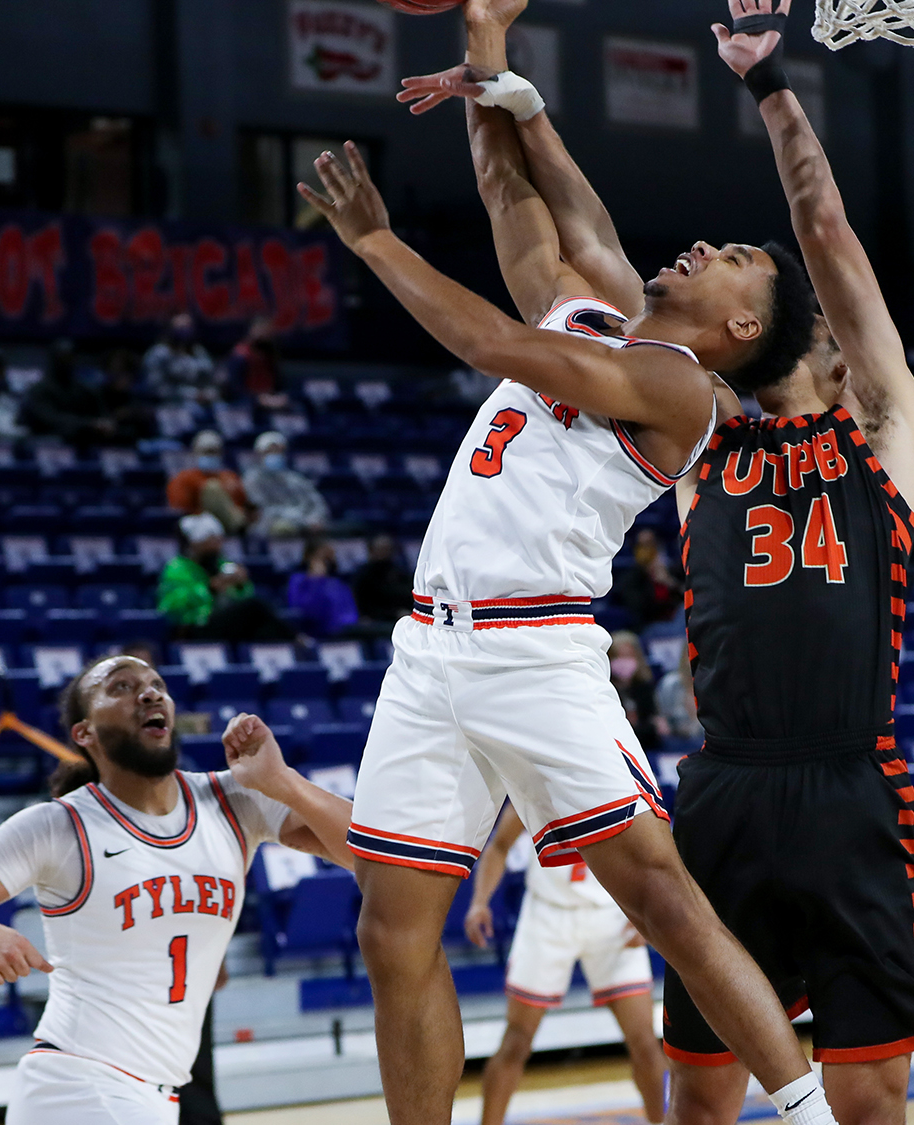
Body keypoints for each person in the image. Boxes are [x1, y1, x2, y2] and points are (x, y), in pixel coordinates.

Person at [325, 4, 840, 1118]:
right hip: (428, 649)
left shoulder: (679, 390)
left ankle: (805, 1112)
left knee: (662, 901)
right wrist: (489, 56)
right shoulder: (606, 320)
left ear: (740, 331)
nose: (703, 248)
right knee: (390, 930)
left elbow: (490, 341)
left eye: (733, 261)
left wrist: (375, 243)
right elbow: (522, 205)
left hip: (536, 651)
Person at [640, 8, 914, 1118]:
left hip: (847, 784)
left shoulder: (882, 433)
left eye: (742, 259)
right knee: (698, 1102)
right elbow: (606, 277)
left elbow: (822, 224)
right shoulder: (699, 439)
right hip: (725, 782)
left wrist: (769, 83)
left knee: (869, 1100)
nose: (840, 335)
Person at [0, 654, 355, 1124]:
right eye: (122, 687)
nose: (150, 693)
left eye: (156, 685)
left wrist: (283, 782)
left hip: (153, 1094)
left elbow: (368, 854)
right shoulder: (59, 827)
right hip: (80, 1086)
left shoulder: (233, 802)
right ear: (84, 733)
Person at [462, 805, 664, 1125]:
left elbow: (651, 853)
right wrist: (478, 903)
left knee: (645, 1043)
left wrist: (647, 912)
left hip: (610, 914)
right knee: (517, 1040)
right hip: (548, 914)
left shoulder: (621, 783)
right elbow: (499, 845)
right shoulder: (531, 787)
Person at [158, 515, 290, 642]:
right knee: (255, 606)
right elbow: (172, 607)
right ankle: (295, 639)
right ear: (194, 543)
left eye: (218, 539)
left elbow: (244, 596)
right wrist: (210, 589)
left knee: (262, 628)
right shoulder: (177, 568)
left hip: (223, 621)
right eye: (210, 540)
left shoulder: (221, 563)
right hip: (194, 626)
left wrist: (240, 584)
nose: (217, 545)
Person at [23, 340, 125, 448]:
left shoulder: (83, 389)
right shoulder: (40, 390)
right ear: (54, 359)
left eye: (70, 357)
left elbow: (102, 417)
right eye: (62, 358)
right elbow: (49, 419)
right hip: (47, 444)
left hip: (82, 444)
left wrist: (104, 424)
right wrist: (88, 424)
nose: (66, 362)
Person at [240, 431, 329, 539]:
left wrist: (315, 519)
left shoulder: (295, 478)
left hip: (302, 523)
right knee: (283, 528)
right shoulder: (252, 479)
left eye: (278, 451)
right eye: (269, 451)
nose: (274, 455)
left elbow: (316, 503)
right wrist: (301, 520)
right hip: (268, 525)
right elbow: (262, 510)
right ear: (259, 454)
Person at [167, 431, 253, 537]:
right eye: (206, 452)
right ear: (195, 453)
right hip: (200, 524)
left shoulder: (230, 476)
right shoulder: (183, 478)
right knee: (213, 487)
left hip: (231, 522)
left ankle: (243, 527)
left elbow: (243, 503)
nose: (210, 456)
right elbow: (180, 509)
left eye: (214, 452)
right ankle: (240, 526)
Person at [285, 540, 358, 639]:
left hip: (343, 631)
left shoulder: (337, 582)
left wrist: (348, 625)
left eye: (331, 556)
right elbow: (302, 608)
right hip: (316, 631)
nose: (329, 561)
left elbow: (350, 611)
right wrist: (316, 581)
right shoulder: (298, 580)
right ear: (309, 557)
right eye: (324, 557)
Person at [144, 312, 221, 405]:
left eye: (188, 327)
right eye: (181, 327)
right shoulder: (159, 353)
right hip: (169, 403)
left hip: (203, 402)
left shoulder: (198, 351)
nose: (185, 330)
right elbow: (156, 387)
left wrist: (209, 393)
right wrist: (191, 394)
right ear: (170, 329)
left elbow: (211, 377)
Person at [612, 529, 682, 627]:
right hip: (648, 626)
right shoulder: (631, 578)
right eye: (642, 545)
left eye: (649, 544)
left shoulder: (673, 570)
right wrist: (650, 579)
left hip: (677, 623)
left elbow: (686, 599)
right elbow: (639, 609)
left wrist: (669, 583)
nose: (646, 550)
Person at [607, 632, 663, 750]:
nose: (624, 661)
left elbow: (654, 724)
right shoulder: (605, 689)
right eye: (618, 656)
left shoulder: (645, 688)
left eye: (628, 656)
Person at [228, 315, 288, 410]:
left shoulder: (271, 353)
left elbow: (278, 383)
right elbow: (235, 388)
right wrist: (258, 399)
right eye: (262, 330)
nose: (265, 334)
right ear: (253, 330)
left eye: (268, 331)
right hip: (247, 403)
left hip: (271, 399)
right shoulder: (241, 354)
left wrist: (279, 397)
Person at [352, 534, 414, 624]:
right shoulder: (363, 575)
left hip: (401, 616)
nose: (385, 552)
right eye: (381, 549)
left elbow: (407, 594)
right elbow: (365, 603)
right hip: (375, 619)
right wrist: (393, 614)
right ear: (371, 550)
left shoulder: (399, 572)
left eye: (388, 549)